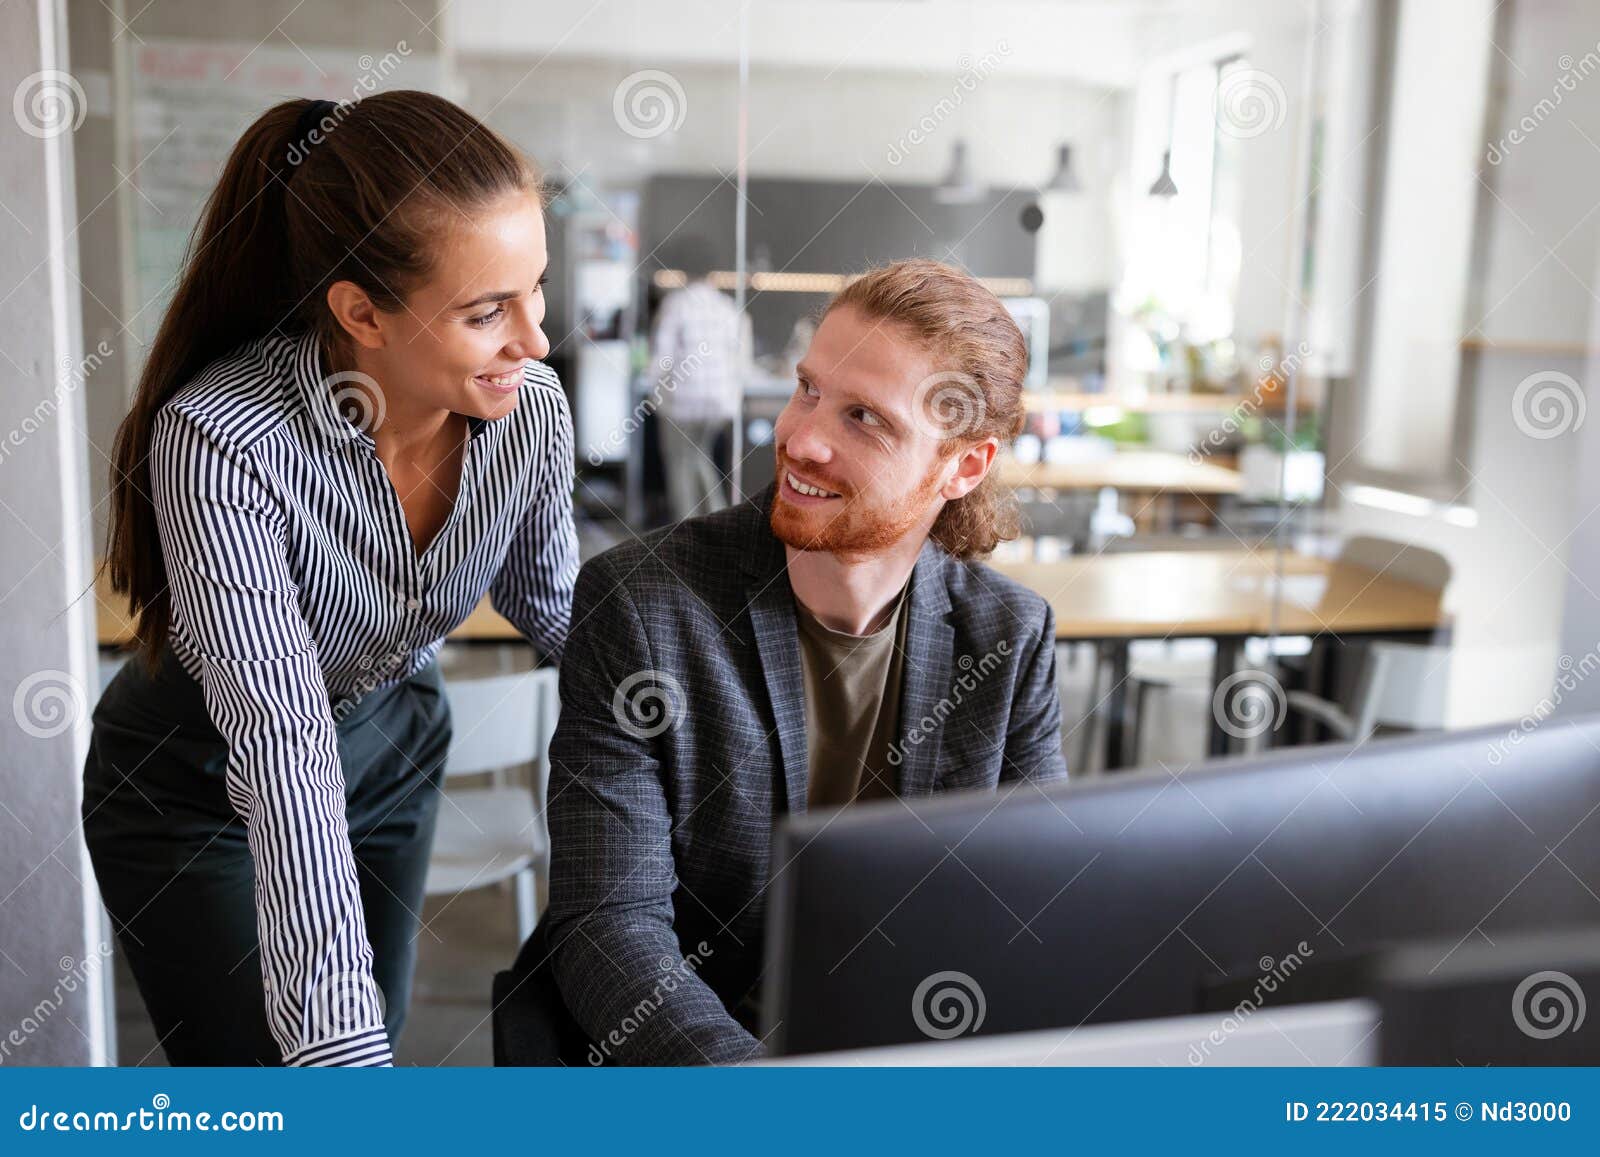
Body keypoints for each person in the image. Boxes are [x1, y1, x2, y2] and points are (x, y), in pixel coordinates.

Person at [82, 91, 577, 1067]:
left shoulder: (531, 411)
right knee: (277, 1086)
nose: (537, 339)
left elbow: (552, 601)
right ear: (360, 311)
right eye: (488, 312)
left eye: (537, 291)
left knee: (367, 1039)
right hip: (195, 787)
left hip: (391, 753)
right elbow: (282, 741)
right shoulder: (224, 439)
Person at [538, 258, 1068, 1065]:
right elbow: (608, 924)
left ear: (964, 466)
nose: (801, 436)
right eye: (809, 389)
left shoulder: (1010, 637)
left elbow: (1035, 905)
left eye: (864, 417)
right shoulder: (642, 606)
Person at [650, 237, 749, 521]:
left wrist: (654, 388)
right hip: (719, 403)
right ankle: (716, 518)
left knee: (681, 464)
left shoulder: (677, 304)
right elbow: (737, 356)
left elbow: (663, 358)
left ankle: (686, 526)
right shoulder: (726, 307)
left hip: (682, 402)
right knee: (700, 456)